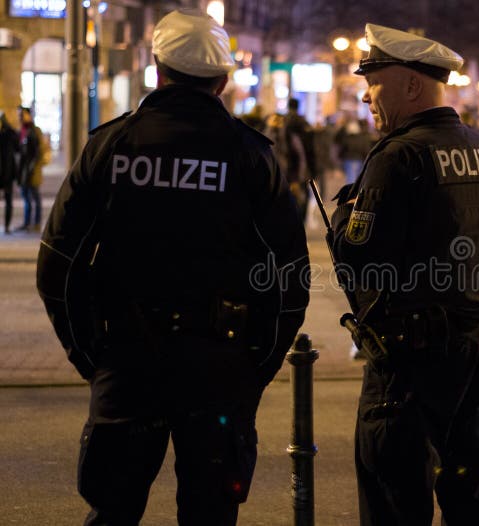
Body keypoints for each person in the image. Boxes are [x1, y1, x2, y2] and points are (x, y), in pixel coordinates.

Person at [36, 9, 309, 525]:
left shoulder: (111, 145)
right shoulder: (250, 156)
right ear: (224, 80)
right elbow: (289, 276)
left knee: (112, 510)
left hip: (128, 360)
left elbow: (57, 266)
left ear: (156, 70)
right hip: (219, 367)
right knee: (210, 512)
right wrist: (256, 367)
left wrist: (92, 355)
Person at [330, 23, 479, 525]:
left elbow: (360, 257)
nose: (367, 97)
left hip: (409, 366)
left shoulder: (398, 155)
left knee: (395, 499)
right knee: (469, 493)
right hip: (476, 354)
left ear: (411, 86)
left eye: (374, 83)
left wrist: (340, 223)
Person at [283, 97, 316, 222]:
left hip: (283, 168)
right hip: (301, 168)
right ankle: (299, 225)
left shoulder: (282, 121)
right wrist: (313, 171)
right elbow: (311, 149)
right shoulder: (304, 123)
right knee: (302, 198)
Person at [16, 106, 44, 232]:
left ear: (28, 115)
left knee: (35, 196)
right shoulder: (21, 131)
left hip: (32, 170)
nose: (20, 117)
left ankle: (37, 223)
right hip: (23, 170)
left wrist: (33, 166)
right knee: (26, 197)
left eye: (22, 114)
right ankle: (27, 223)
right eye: (19, 114)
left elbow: (40, 151)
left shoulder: (35, 130)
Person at [0, 111, 18, 234]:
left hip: (7, 173)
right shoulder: (9, 134)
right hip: (6, 173)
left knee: (8, 201)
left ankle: (6, 225)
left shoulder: (9, 134)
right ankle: (6, 226)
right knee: (8, 201)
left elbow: (17, 147)